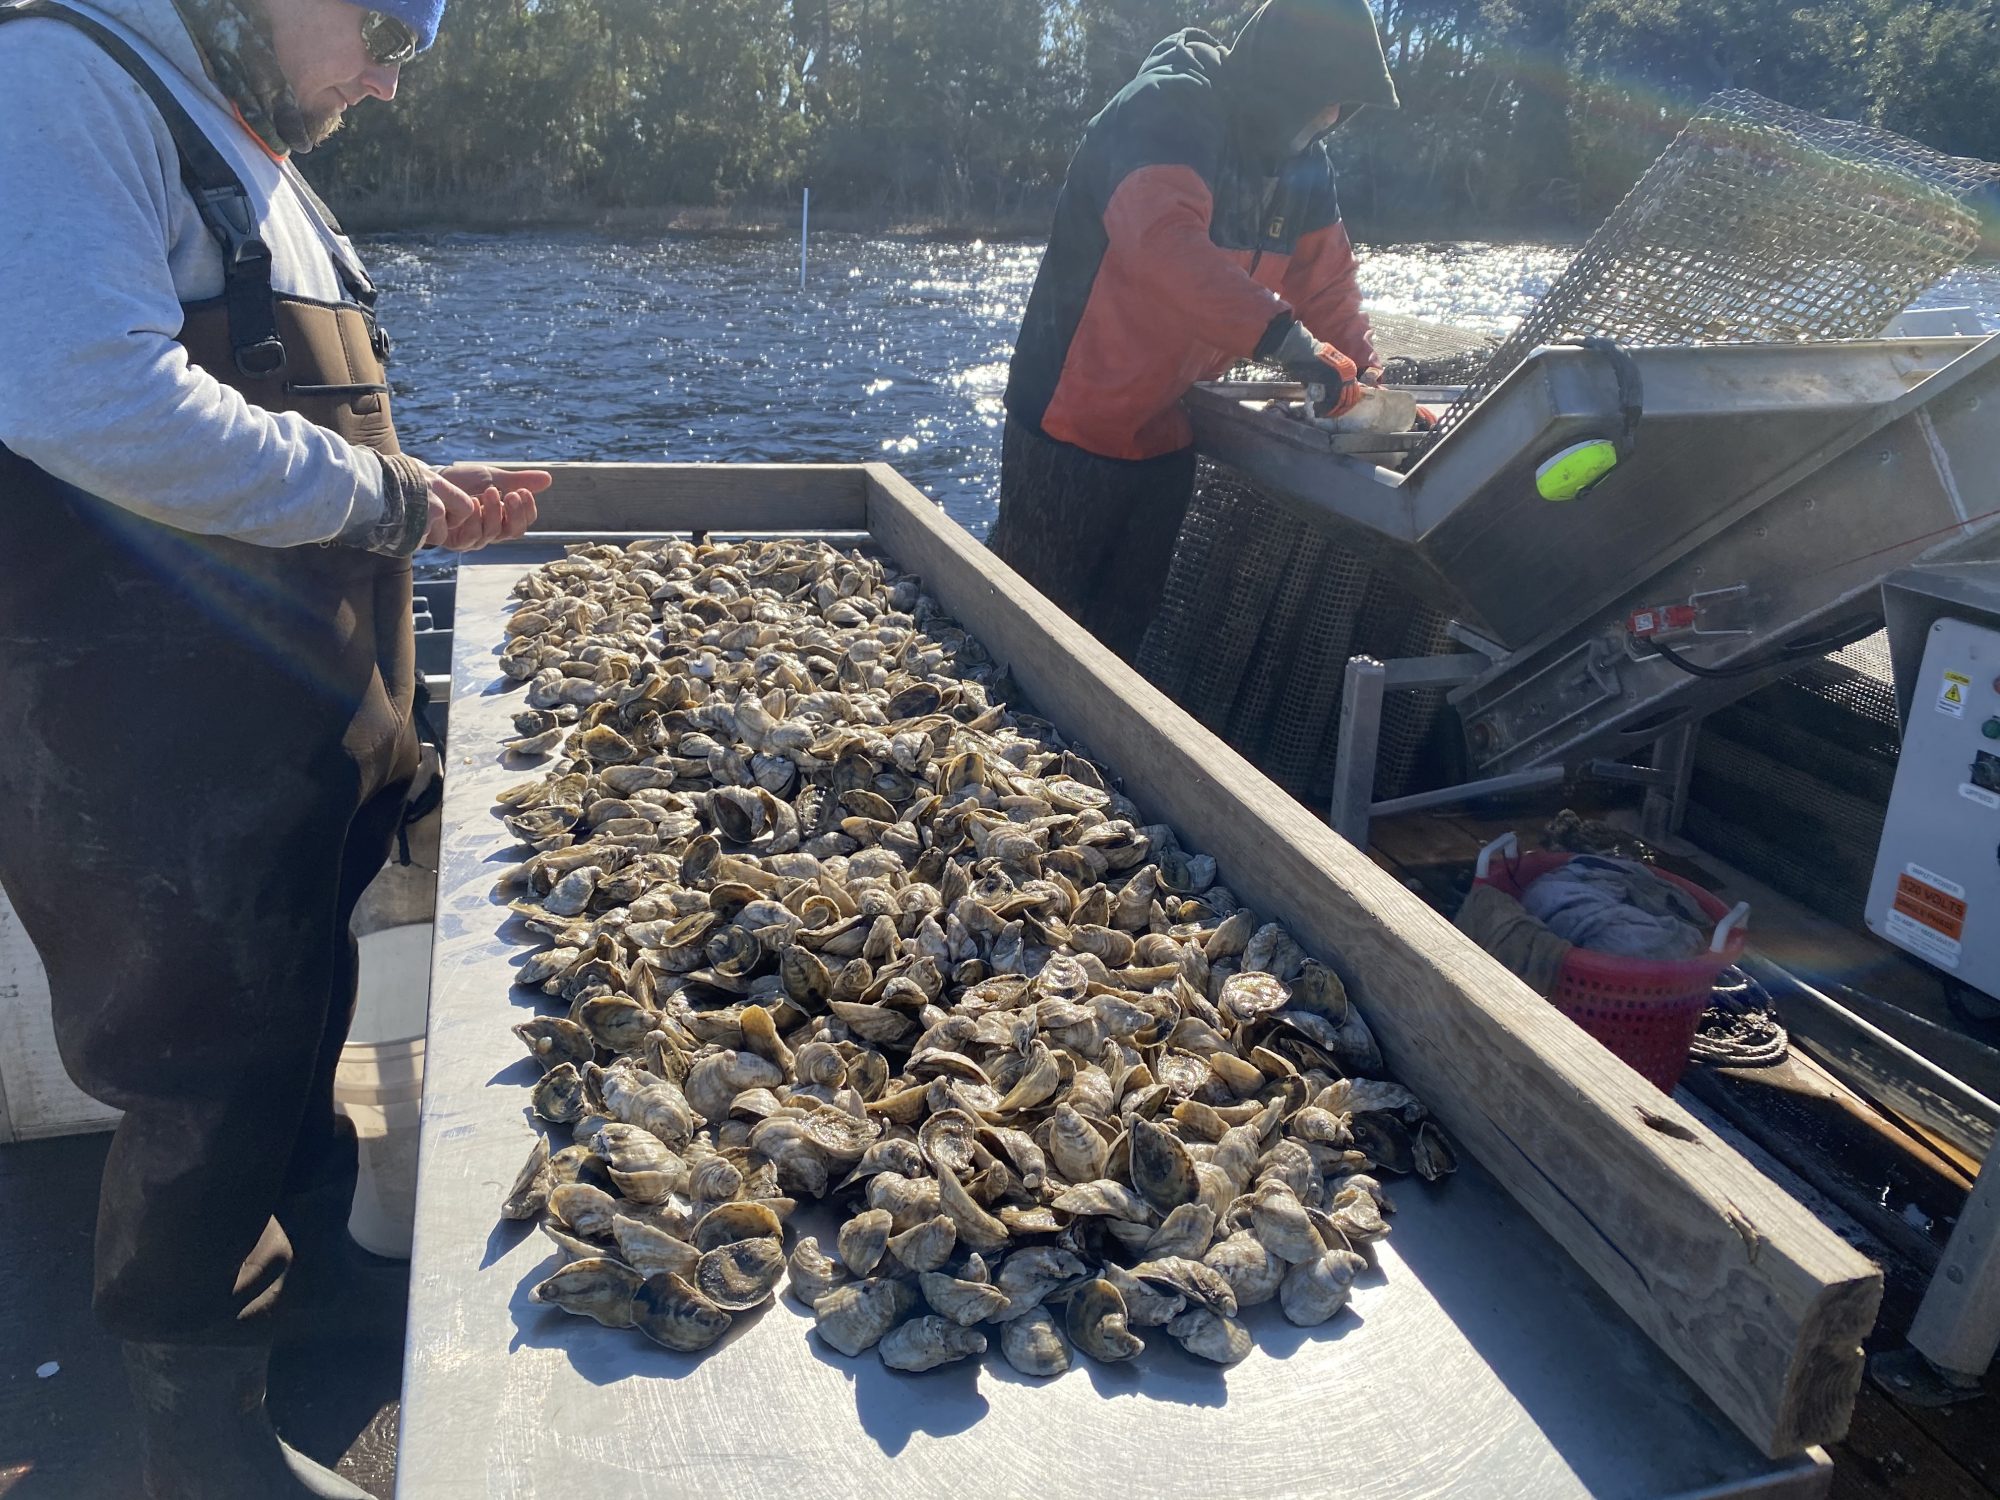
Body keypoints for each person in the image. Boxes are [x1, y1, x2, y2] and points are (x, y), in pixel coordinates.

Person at [0, 0, 548, 1491]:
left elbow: (310, 448)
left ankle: (318, 1304)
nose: (393, 66)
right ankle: (206, 1446)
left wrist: (421, 485)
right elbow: (87, 393)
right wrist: (386, 502)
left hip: (297, 733)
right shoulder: (61, 80)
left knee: (296, 1026)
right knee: (200, 1085)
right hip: (148, 757)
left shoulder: (246, 145)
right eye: (388, 20)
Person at [995, 0, 1399, 662]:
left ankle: (1085, 760)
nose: (1330, 119)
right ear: (1284, 80)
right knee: (1031, 626)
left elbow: (1327, 285)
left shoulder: (1305, 166)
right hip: (1069, 423)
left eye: (1340, 109)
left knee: (1119, 642)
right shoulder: (1168, 109)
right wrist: (1289, 344)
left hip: (1164, 432)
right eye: (1323, 102)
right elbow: (1162, 246)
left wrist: (1366, 382)